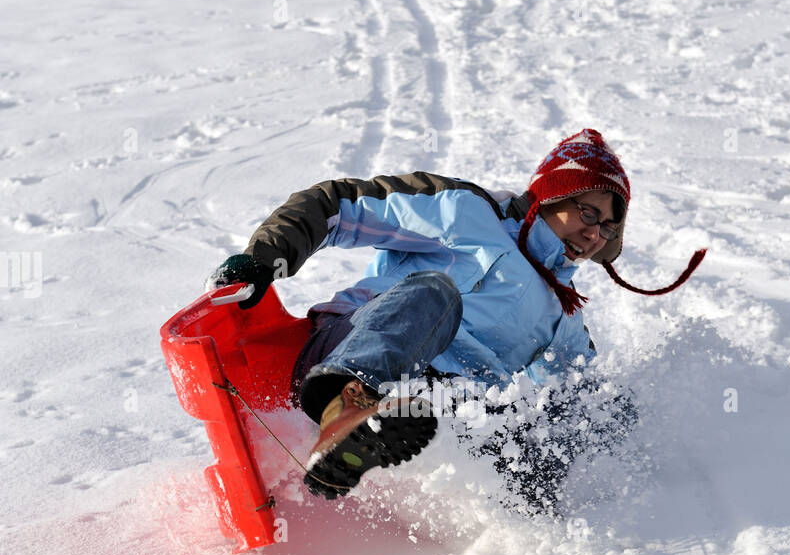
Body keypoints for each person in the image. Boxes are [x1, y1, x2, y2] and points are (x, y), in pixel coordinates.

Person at [206, 130, 706, 502]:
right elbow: (337, 203)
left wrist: (631, 432)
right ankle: (347, 411)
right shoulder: (466, 213)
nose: (595, 234)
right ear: (551, 196)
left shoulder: (563, 314)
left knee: (554, 415)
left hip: (438, 408)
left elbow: (582, 395)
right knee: (435, 293)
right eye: (589, 212)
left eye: (609, 228)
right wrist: (265, 259)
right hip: (352, 352)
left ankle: (522, 522)